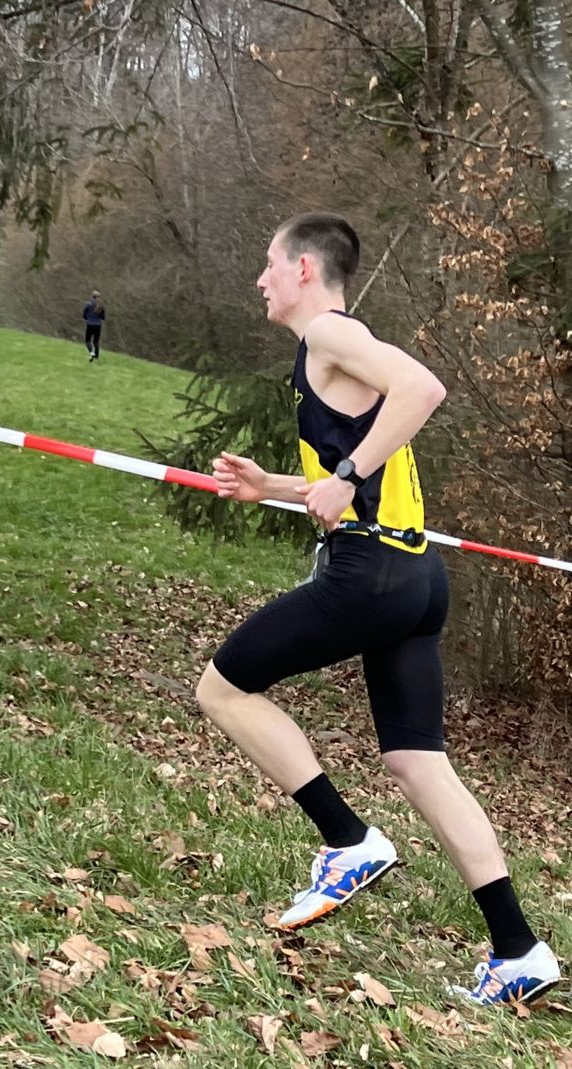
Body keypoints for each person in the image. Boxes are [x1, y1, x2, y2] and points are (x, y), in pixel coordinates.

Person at [195, 212, 560, 1007]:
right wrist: (273, 485)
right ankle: (518, 950)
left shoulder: (330, 333)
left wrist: (347, 474)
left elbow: (423, 388)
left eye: (268, 264)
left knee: (222, 688)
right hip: (416, 576)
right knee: (419, 760)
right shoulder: (330, 351)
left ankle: (347, 838)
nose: (259, 280)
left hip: (371, 575)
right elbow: (354, 474)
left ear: (302, 268)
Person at [82, 290, 105, 362]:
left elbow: (84, 314)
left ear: (92, 296)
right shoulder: (101, 305)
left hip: (90, 324)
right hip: (98, 325)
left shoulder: (88, 303)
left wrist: (87, 318)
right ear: (99, 297)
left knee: (87, 340)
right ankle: (96, 357)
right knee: (96, 342)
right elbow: (103, 317)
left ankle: (91, 352)